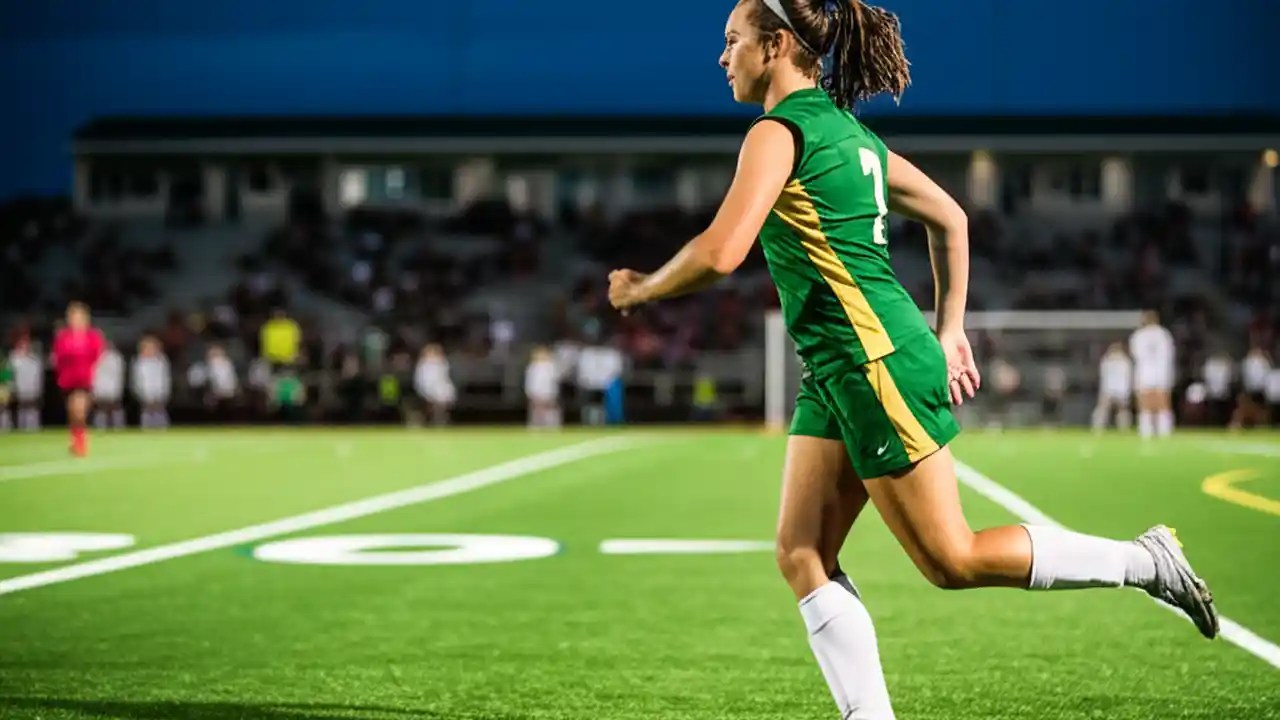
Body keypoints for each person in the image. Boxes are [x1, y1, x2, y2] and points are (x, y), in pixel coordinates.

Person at [606, 2, 1217, 716]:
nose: (722, 56)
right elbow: (950, 217)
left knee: (951, 558)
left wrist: (643, 288)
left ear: (774, 46)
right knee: (802, 553)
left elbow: (721, 251)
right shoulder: (850, 134)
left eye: (732, 40)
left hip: (871, 361)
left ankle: (1144, 561)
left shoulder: (778, 132)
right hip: (840, 368)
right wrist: (949, 328)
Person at [52, 302, 106, 455]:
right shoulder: (63, 337)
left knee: (80, 411)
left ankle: (81, 443)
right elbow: (59, 357)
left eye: (79, 317)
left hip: (84, 379)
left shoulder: (93, 336)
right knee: (72, 412)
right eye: (73, 317)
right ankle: (76, 439)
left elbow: (97, 355)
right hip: (68, 379)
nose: (76, 320)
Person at [1129, 310, 1176, 439]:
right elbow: (1170, 353)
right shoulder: (1164, 334)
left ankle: (1146, 430)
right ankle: (1164, 430)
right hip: (1162, 371)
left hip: (1145, 371)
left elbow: (1135, 354)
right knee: (1163, 400)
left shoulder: (1139, 335)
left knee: (1145, 401)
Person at [1091, 342, 1133, 432]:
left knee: (1122, 410)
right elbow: (1103, 376)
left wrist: (1126, 392)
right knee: (1102, 408)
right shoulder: (1106, 361)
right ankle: (1097, 428)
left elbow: (1128, 377)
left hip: (1121, 390)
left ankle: (1124, 428)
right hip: (1108, 389)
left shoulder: (1125, 361)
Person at [132, 336, 172, 429]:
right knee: (147, 411)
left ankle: (162, 427)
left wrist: (163, 392)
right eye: (147, 348)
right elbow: (138, 379)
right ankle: (147, 428)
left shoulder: (161, 361)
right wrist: (141, 392)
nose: (150, 350)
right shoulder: (139, 362)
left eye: (153, 348)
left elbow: (164, 378)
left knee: (159, 410)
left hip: (159, 392)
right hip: (146, 392)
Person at [414, 344, 456, 426]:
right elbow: (421, 380)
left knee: (442, 400)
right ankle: (429, 420)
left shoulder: (443, 363)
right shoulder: (423, 365)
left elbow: (444, 377)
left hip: (441, 388)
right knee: (433, 404)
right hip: (427, 388)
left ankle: (440, 419)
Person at [524, 346, 562, 429]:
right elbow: (530, 381)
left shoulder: (551, 366)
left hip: (549, 392)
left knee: (551, 409)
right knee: (537, 410)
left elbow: (555, 380)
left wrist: (553, 393)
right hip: (536, 392)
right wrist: (531, 393)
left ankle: (552, 426)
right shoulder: (533, 367)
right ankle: (535, 426)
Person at [92, 340, 126, 430]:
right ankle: (100, 429)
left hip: (113, 389)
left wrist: (117, 391)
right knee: (100, 409)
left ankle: (118, 429)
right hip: (99, 389)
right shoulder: (94, 356)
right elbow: (94, 375)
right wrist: (94, 391)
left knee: (115, 409)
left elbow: (118, 375)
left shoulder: (116, 357)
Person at [10, 338, 42, 431]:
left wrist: (37, 390)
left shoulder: (34, 361)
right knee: (22, 411)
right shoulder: (15, 360)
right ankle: (21, 428)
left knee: (32, 411)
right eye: (22, 346)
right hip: (20, 391)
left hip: (32, 391)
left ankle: (33, 429)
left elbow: (37, 377)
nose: (24, 348)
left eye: (26, 346)